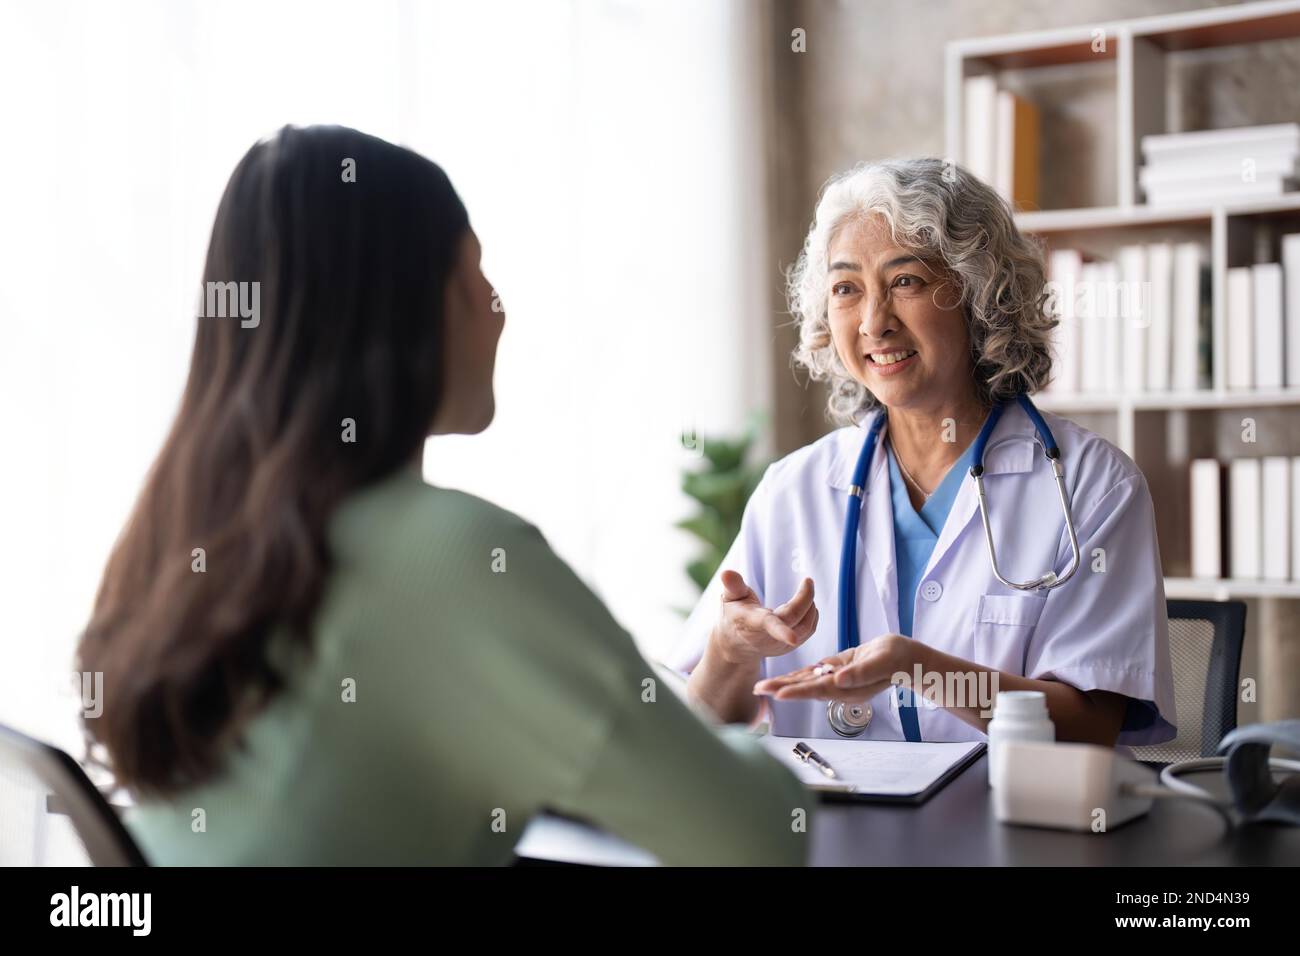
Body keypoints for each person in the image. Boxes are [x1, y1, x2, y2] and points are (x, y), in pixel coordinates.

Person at [75, 125, 808, 865]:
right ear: (405, 303)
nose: (497, 310)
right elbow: (756, 838)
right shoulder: (454, 555)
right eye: (477, 274)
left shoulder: (179, 536)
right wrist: (762, 753)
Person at [670, 158, 1176, 748]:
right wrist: (731, 651)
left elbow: (1089, 726)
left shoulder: (1092, 486)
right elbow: (699, 727)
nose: (874, 322)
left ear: (979, 294)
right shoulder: (794, 490)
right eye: (845, 289)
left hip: (1009, 831)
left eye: (905, 282)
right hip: (829, 833)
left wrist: (921, 668)